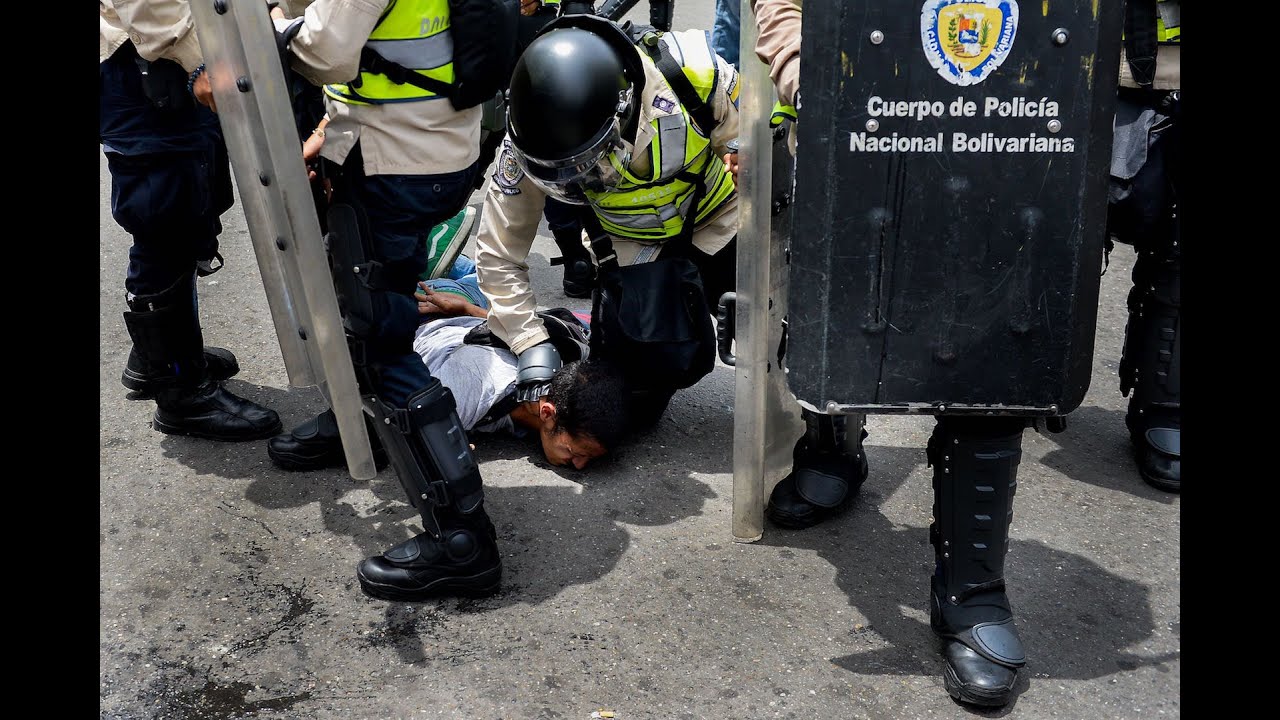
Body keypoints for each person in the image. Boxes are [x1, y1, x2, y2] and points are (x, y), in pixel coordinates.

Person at [743, 0, 1039, 707]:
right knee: (837, 315)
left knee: (989, 348)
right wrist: (818, 78)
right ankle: (832, 451)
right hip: (848, 123)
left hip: (996, 132)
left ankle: (972, 594)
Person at [266, 0, 500, 601]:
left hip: (396, 159)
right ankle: (357, 425)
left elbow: (324, 49)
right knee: (358, 300)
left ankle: (463, 541)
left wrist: (261, 27)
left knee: (380, 336)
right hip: (439, 144)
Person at [474, 13, 743, 430]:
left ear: (623, 111)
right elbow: (498, 254)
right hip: (632, 248)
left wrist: (752, 166)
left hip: (721, 221)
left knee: (784, 337)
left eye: (585, 166)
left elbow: (773, 162)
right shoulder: (527, 142)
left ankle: (829, 442)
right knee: (613, 417)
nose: (576, 182)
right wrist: (529, 342)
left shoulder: (695, 75)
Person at [101, 0, 283, 442]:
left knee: (188, 205)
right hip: (147, 58)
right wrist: (196, 57)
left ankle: (159, 358)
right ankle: (182, 392)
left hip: (158, 53)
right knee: (164, 219)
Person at [270, 251, 631, 472]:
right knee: (388, 285)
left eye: (586, 458)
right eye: (575, 452)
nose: (580, 465)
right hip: (434, 314)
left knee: (472, 285)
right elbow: (391, 418)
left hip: (475, 312)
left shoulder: (574, 371)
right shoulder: (469, 391)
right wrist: (441, 442)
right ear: (548, 412)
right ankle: (438, 254)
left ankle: (460, 271)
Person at [1107, 0, 1180, 493]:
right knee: (1039, 244)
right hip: (1065, 68)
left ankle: (1165, 404)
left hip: (1174, 80)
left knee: (1177, 262)